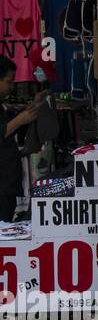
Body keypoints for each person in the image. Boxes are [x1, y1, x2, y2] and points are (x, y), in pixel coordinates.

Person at [0, 56, 46, 222]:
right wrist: (20, 120)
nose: (11, 87)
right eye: (9, 81)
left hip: (8, 184)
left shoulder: (3, 105)